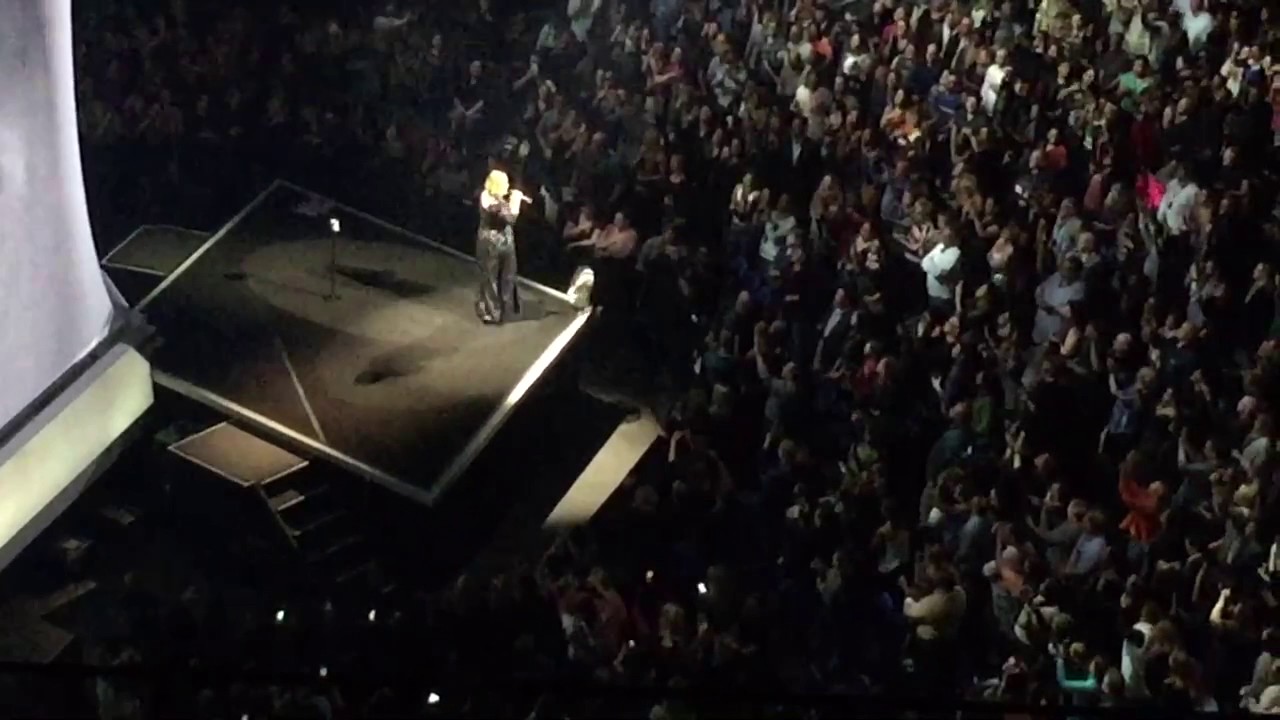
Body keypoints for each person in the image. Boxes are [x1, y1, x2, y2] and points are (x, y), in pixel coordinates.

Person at [475, 169, 527, 324]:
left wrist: (510, 198)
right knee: (490, 277)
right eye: (505, 184)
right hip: (490, 241)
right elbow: (510, 217)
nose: (508, 186)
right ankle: (492, 312)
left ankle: (508, 308)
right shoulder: (486, 197)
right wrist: (515, 201)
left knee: (509, 274)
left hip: (506, 240)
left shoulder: (499, 198)